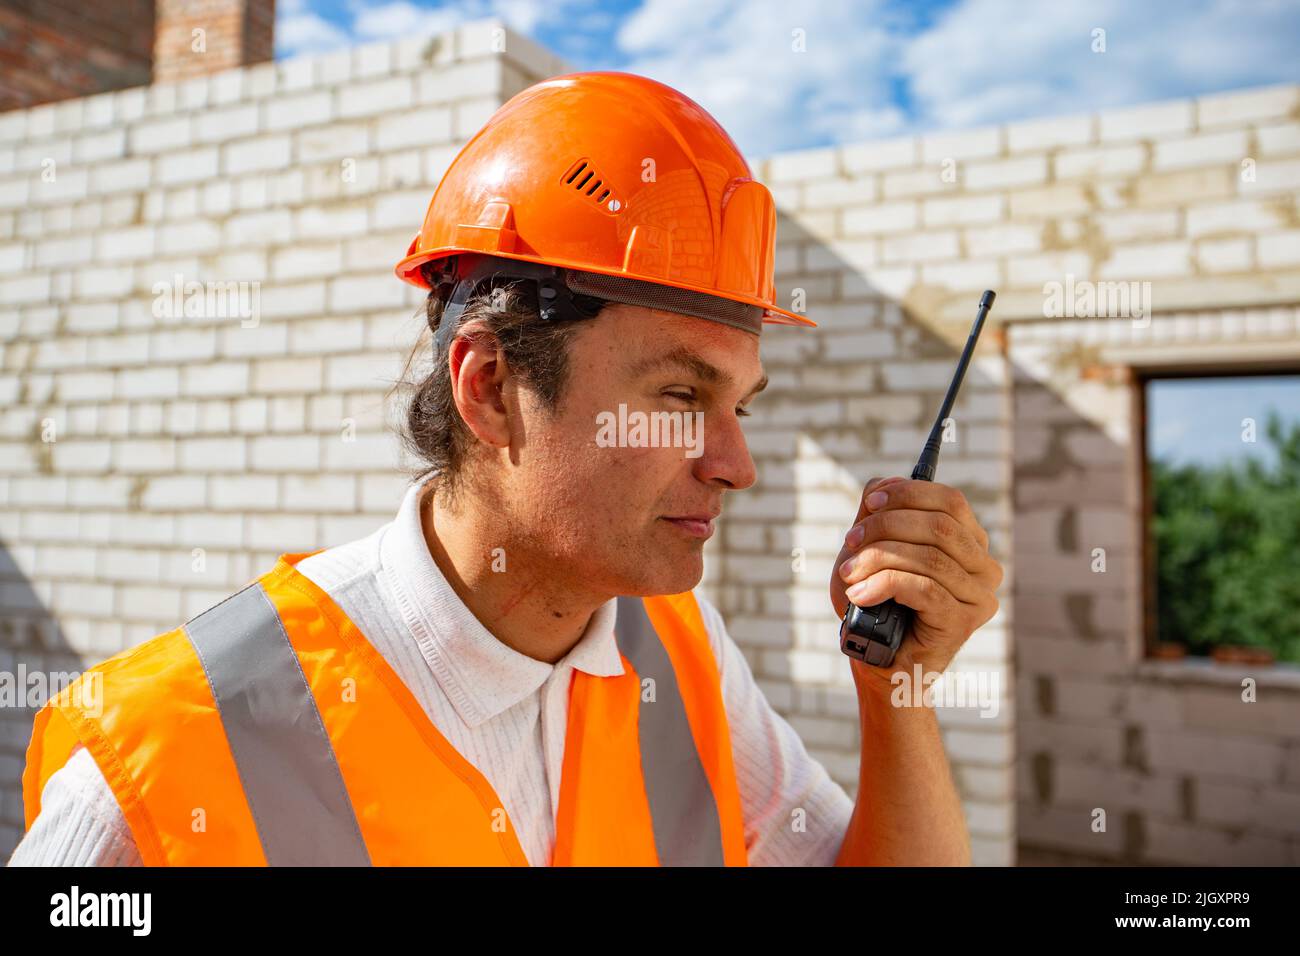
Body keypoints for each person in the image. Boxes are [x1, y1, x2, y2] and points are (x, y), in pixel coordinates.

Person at [9, 71, 1000, 867]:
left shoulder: (677, 654)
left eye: (739, 405)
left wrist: (896, 691)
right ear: (489, 387)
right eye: (677, 398)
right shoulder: (167, 756)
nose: (736, 464)